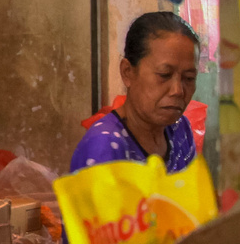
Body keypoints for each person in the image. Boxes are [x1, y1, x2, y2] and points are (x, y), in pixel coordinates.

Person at [70, 12, 200, 173]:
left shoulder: (180, 130)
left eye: (189, 78)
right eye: (164, 75)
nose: (178, 91)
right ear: (127, 72)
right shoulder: (104, 147)